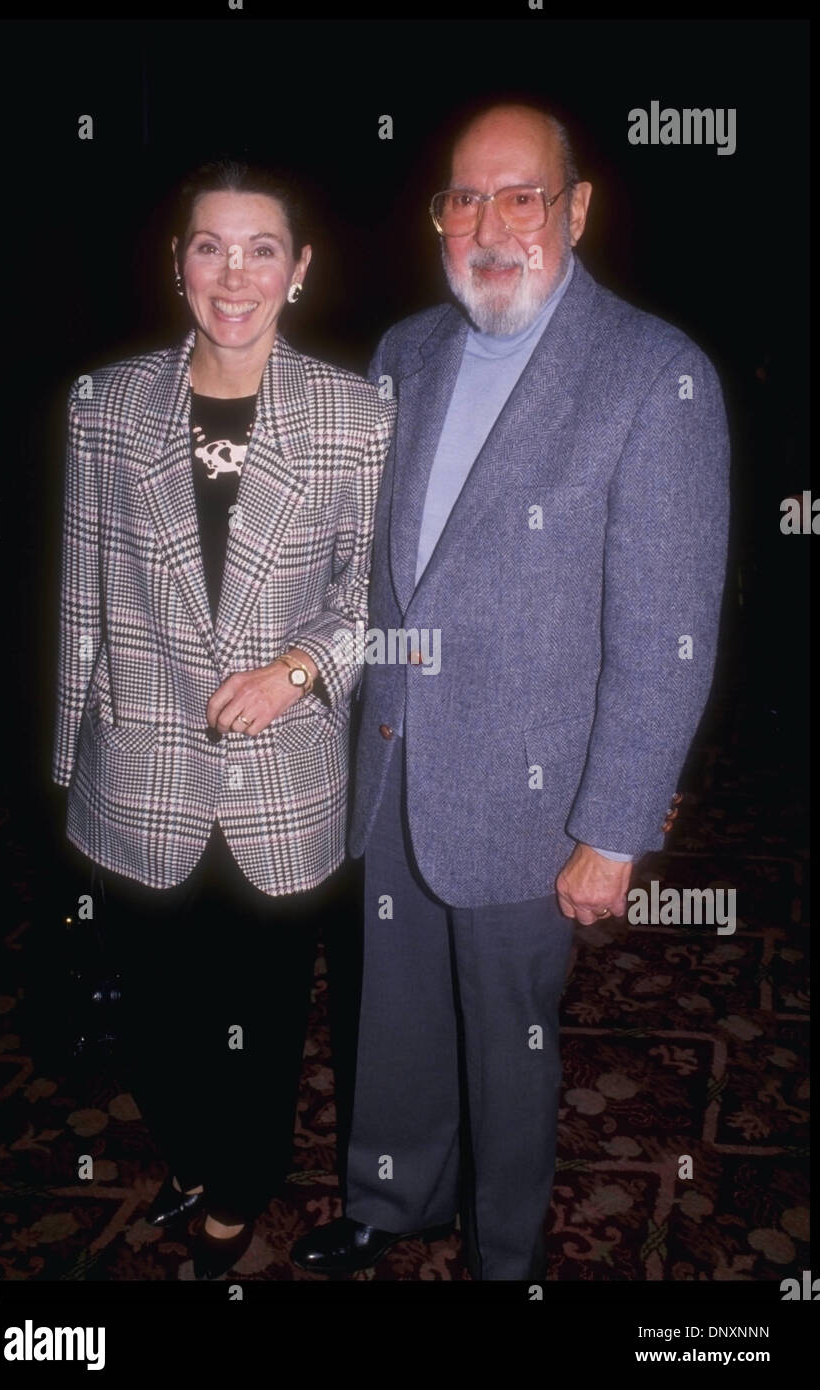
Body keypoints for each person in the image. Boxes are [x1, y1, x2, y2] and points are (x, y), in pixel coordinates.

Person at [292, 102, 730, 1280]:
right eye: (463, 197)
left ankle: (500, 1249)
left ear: (574, 210)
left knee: (508, 1041)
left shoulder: (653, 377)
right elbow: (367, 567)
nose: (488, 224)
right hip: (392, 759)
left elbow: (665, 635)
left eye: (520, 194)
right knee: (393, 1016)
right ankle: (391, 1195)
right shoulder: (404, 353)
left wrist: (615, 825)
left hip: (533, 798)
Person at [52, 157, 395, 1279]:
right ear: (177, 262)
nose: (232, 273)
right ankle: (196, 1153)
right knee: (156, 1022)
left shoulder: (353, 417)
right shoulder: (103, 408)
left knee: (256, 1018)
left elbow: (374, 594)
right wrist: (70, 755)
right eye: (209, 245)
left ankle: (234, 1190)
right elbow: (80, 591)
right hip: (139, 766)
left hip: (283, 780)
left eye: (260, 249)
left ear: (298, 271)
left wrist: (301, 665)